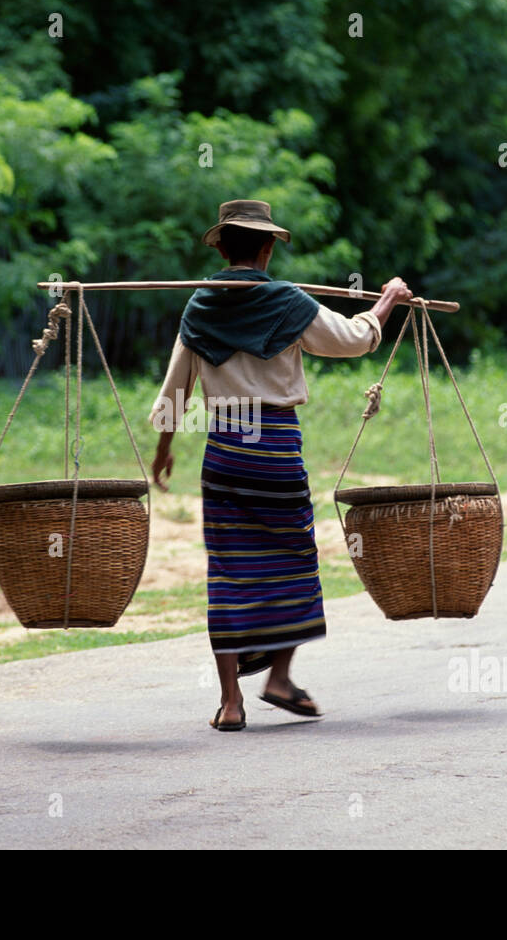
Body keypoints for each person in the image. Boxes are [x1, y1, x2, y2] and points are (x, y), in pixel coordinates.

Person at [148, 199, 414, 731]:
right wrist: (387, 301)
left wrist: (164, 448)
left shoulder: (201, 306)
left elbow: (176, 387)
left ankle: (230, 702)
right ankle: (279, 677)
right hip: (274, 447)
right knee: (292, 560)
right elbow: (352, 339)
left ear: (222, 247)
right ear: (268, 248)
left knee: (227, 572)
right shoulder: (288, 302)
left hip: (225, 449)